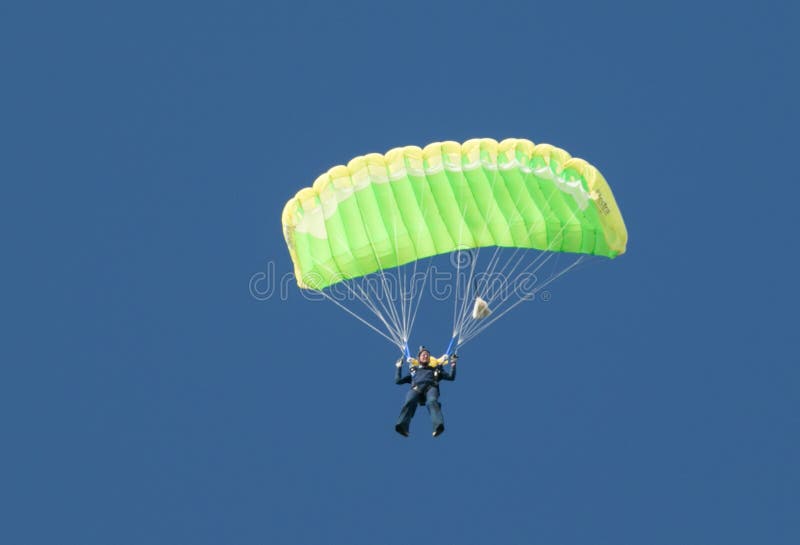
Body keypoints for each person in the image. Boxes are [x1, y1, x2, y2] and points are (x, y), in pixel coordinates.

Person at [394, 346, 457, 438]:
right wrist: (398, 367)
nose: (425, 356)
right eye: (423, 355)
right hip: (416, 388)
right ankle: (402, 426)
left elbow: (451, 377)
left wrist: (453, 364)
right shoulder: (414, 370)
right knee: (410, 401)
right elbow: (398, 381)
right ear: (419, 358)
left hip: (431, 388)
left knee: (432, 401)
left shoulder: (436, 370)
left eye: (427, 355)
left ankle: (438, 426)